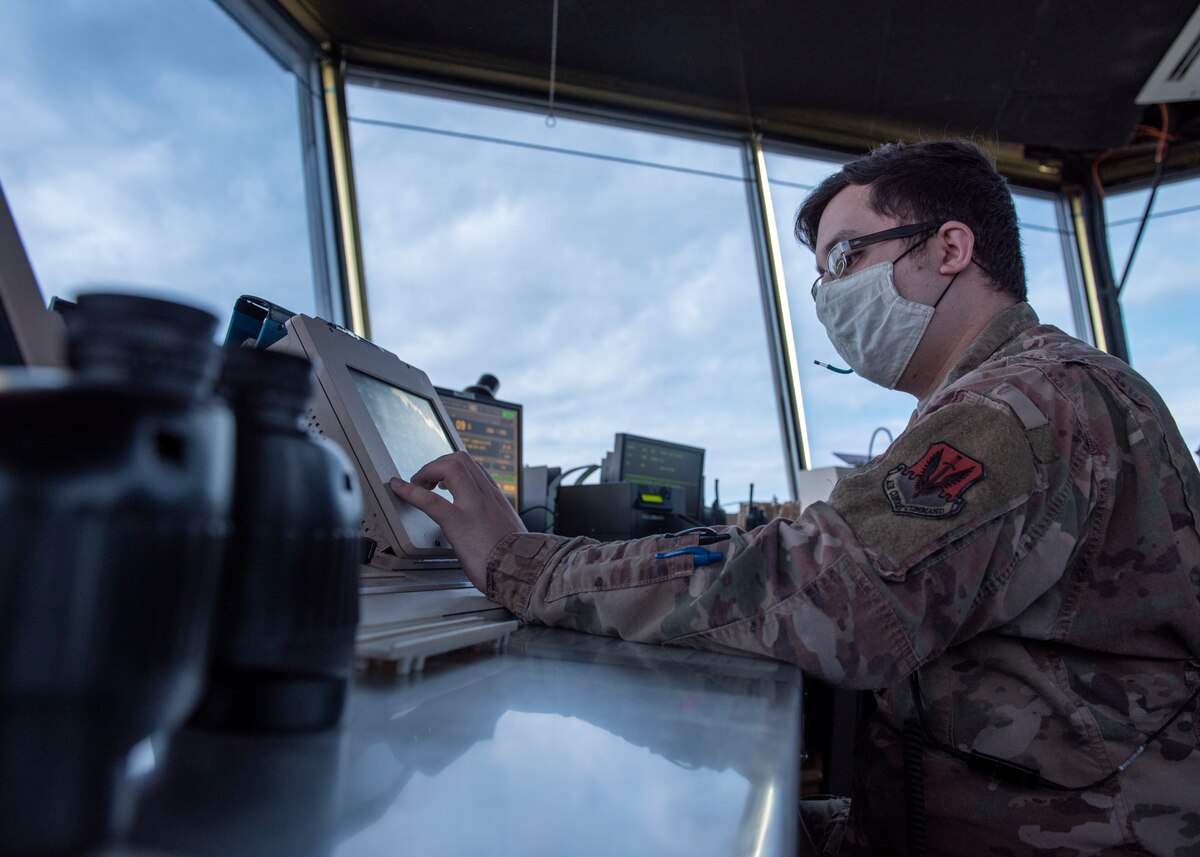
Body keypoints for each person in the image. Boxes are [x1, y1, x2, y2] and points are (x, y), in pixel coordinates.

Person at [390, 140, 1200, 856]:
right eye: (818, 279)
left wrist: (522, 562)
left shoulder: (1022, 403)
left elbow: (830, 589)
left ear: (950, 247)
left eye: (846, 258)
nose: (827, 298)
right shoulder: (1037, 387)